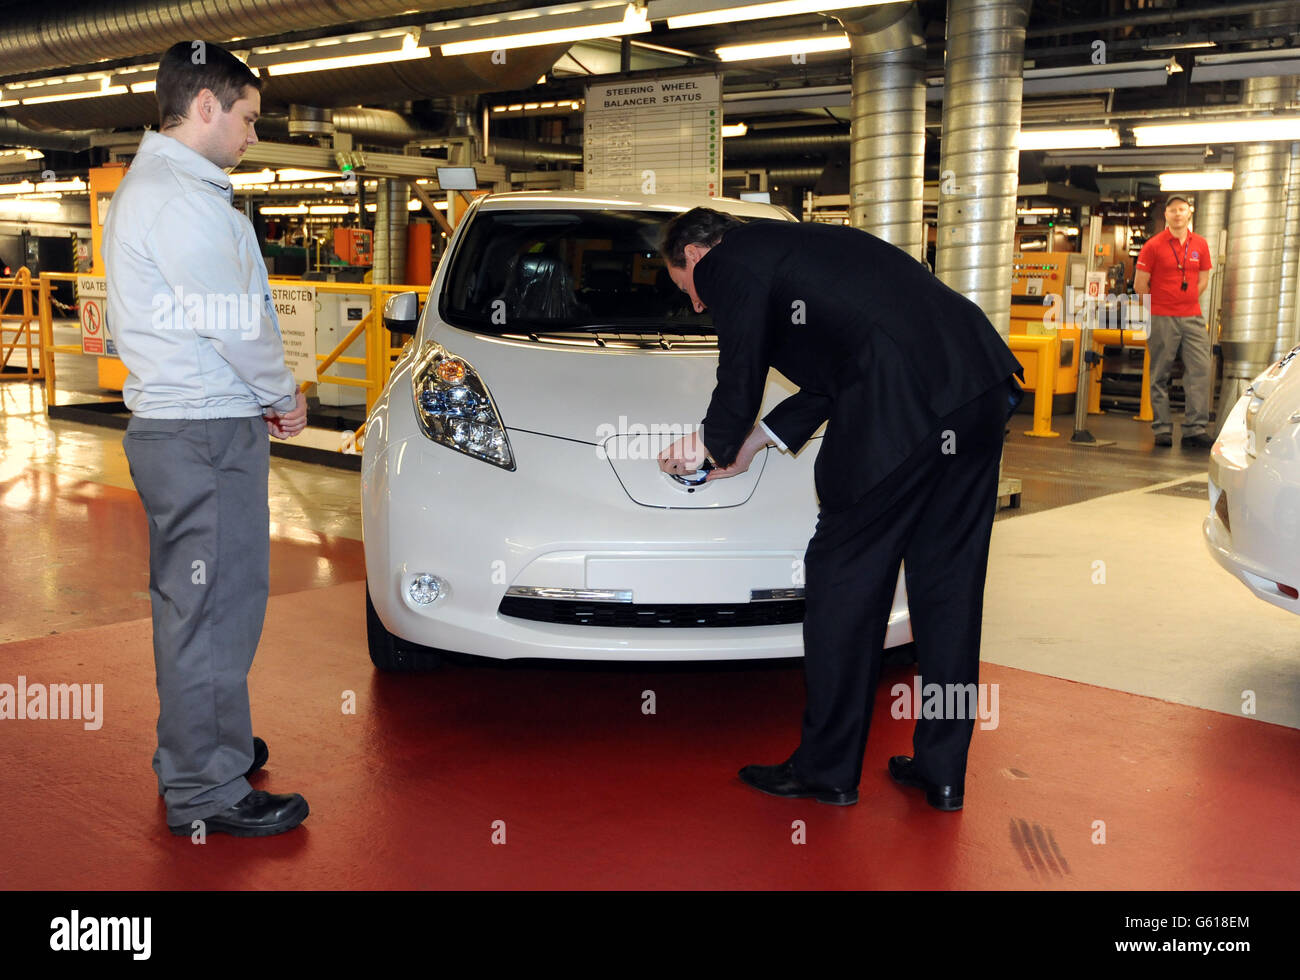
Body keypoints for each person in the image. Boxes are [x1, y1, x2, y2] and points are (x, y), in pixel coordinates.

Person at [657, 208, 1023, 810]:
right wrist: (749, 447)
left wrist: (710, 442)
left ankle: (826, 770)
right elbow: (837, 373)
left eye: (687, 289)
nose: (699, 305)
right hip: (977, 390)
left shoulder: (730, 260)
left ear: (696, 256)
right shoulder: (808, 251)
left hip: (902, 409)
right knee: (949, 587)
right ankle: (943, 770)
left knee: (842, 579)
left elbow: (739, 364)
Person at [104, 40, 310, 837]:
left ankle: (207, 745)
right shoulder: (180, 199)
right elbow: (235, 322)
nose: (253, 136)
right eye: (248, 118)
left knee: (205, 602)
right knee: (213, 609)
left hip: (189, 423)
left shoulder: (166, 188)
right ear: (204, 107)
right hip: (203, 431)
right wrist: (282, 393)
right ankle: (205, 787)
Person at [1134, 194, 1214, 449]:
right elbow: (1139, 285)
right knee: (1160, 373)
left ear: (1189, 213)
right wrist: (1157, 307)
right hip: (1161, 316)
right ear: (1166, 215)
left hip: (1192, 316)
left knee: (1200, 370)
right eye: (1172, 210)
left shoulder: (1200, 244)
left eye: (1182, 209)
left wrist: (1187, 299)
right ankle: (1162, 429)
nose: (1177, 214)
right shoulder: (1153, 245)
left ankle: (1194, 429)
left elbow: (1203, 278)